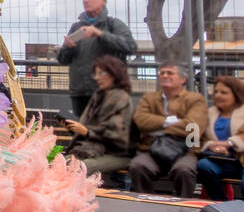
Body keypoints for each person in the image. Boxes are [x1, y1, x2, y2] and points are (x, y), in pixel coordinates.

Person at [129, 62, 209, 197]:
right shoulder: (149, 98)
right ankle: (146, 204)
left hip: (186, 150)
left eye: (170, 73)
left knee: (184, 170)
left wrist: (158, 128)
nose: (165, 75)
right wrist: (171, 121)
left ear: (183, 79)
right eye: (162, 73)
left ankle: (183, 207)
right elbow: (141, 121)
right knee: (138, 166)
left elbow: (194, 127)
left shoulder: (195, 99)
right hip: (152, 149)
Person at [57, 0, 136, 117]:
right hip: (80, 92)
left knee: (106, 130)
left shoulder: (114, 24)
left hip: (107, 91)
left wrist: (100, 34)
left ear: (103, 0)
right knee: (83, 130)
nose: (86, 0)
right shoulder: (77, 27)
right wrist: (68, 48)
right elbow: (63, 59)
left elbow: (130, 46)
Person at [62, 54, 134, 183]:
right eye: (96, 74)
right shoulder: (99, 96)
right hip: (93, 149)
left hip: (116, 153)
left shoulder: (120, 98)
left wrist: (87, 132)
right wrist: (76, 128)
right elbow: (90, 128)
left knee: (76, 168)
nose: (96, 78)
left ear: (113, 74)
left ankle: (76, 200)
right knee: (58, 164)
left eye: (101, 74)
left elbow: (117, 136)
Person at [196, 75, 244, 200]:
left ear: (236, 94)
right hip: (222, 160)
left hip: (242, 160)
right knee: (204, 165)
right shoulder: (210, 112)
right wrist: (211, 145)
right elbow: (196, 138)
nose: (217, 95)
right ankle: (222, 204)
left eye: (224, 92)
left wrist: (229, 143)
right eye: (216, 91)